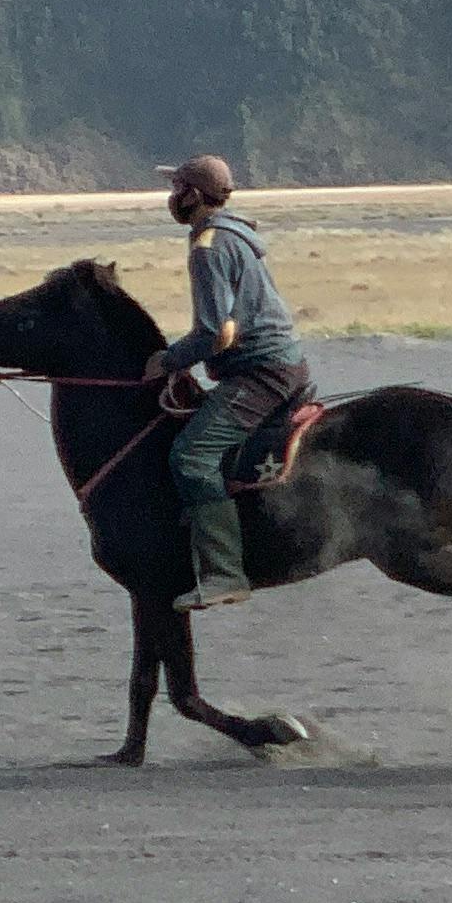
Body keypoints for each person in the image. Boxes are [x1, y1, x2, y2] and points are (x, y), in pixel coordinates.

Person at [143, 153, 313, 612]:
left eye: (177, 189)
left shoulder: (209, 247)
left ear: (194, 195)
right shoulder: (235, 235)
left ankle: (223, 574)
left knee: (191, 455)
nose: (172, 198)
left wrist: (168, 361)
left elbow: (217, 333)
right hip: (279, 364)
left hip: (261, 372)